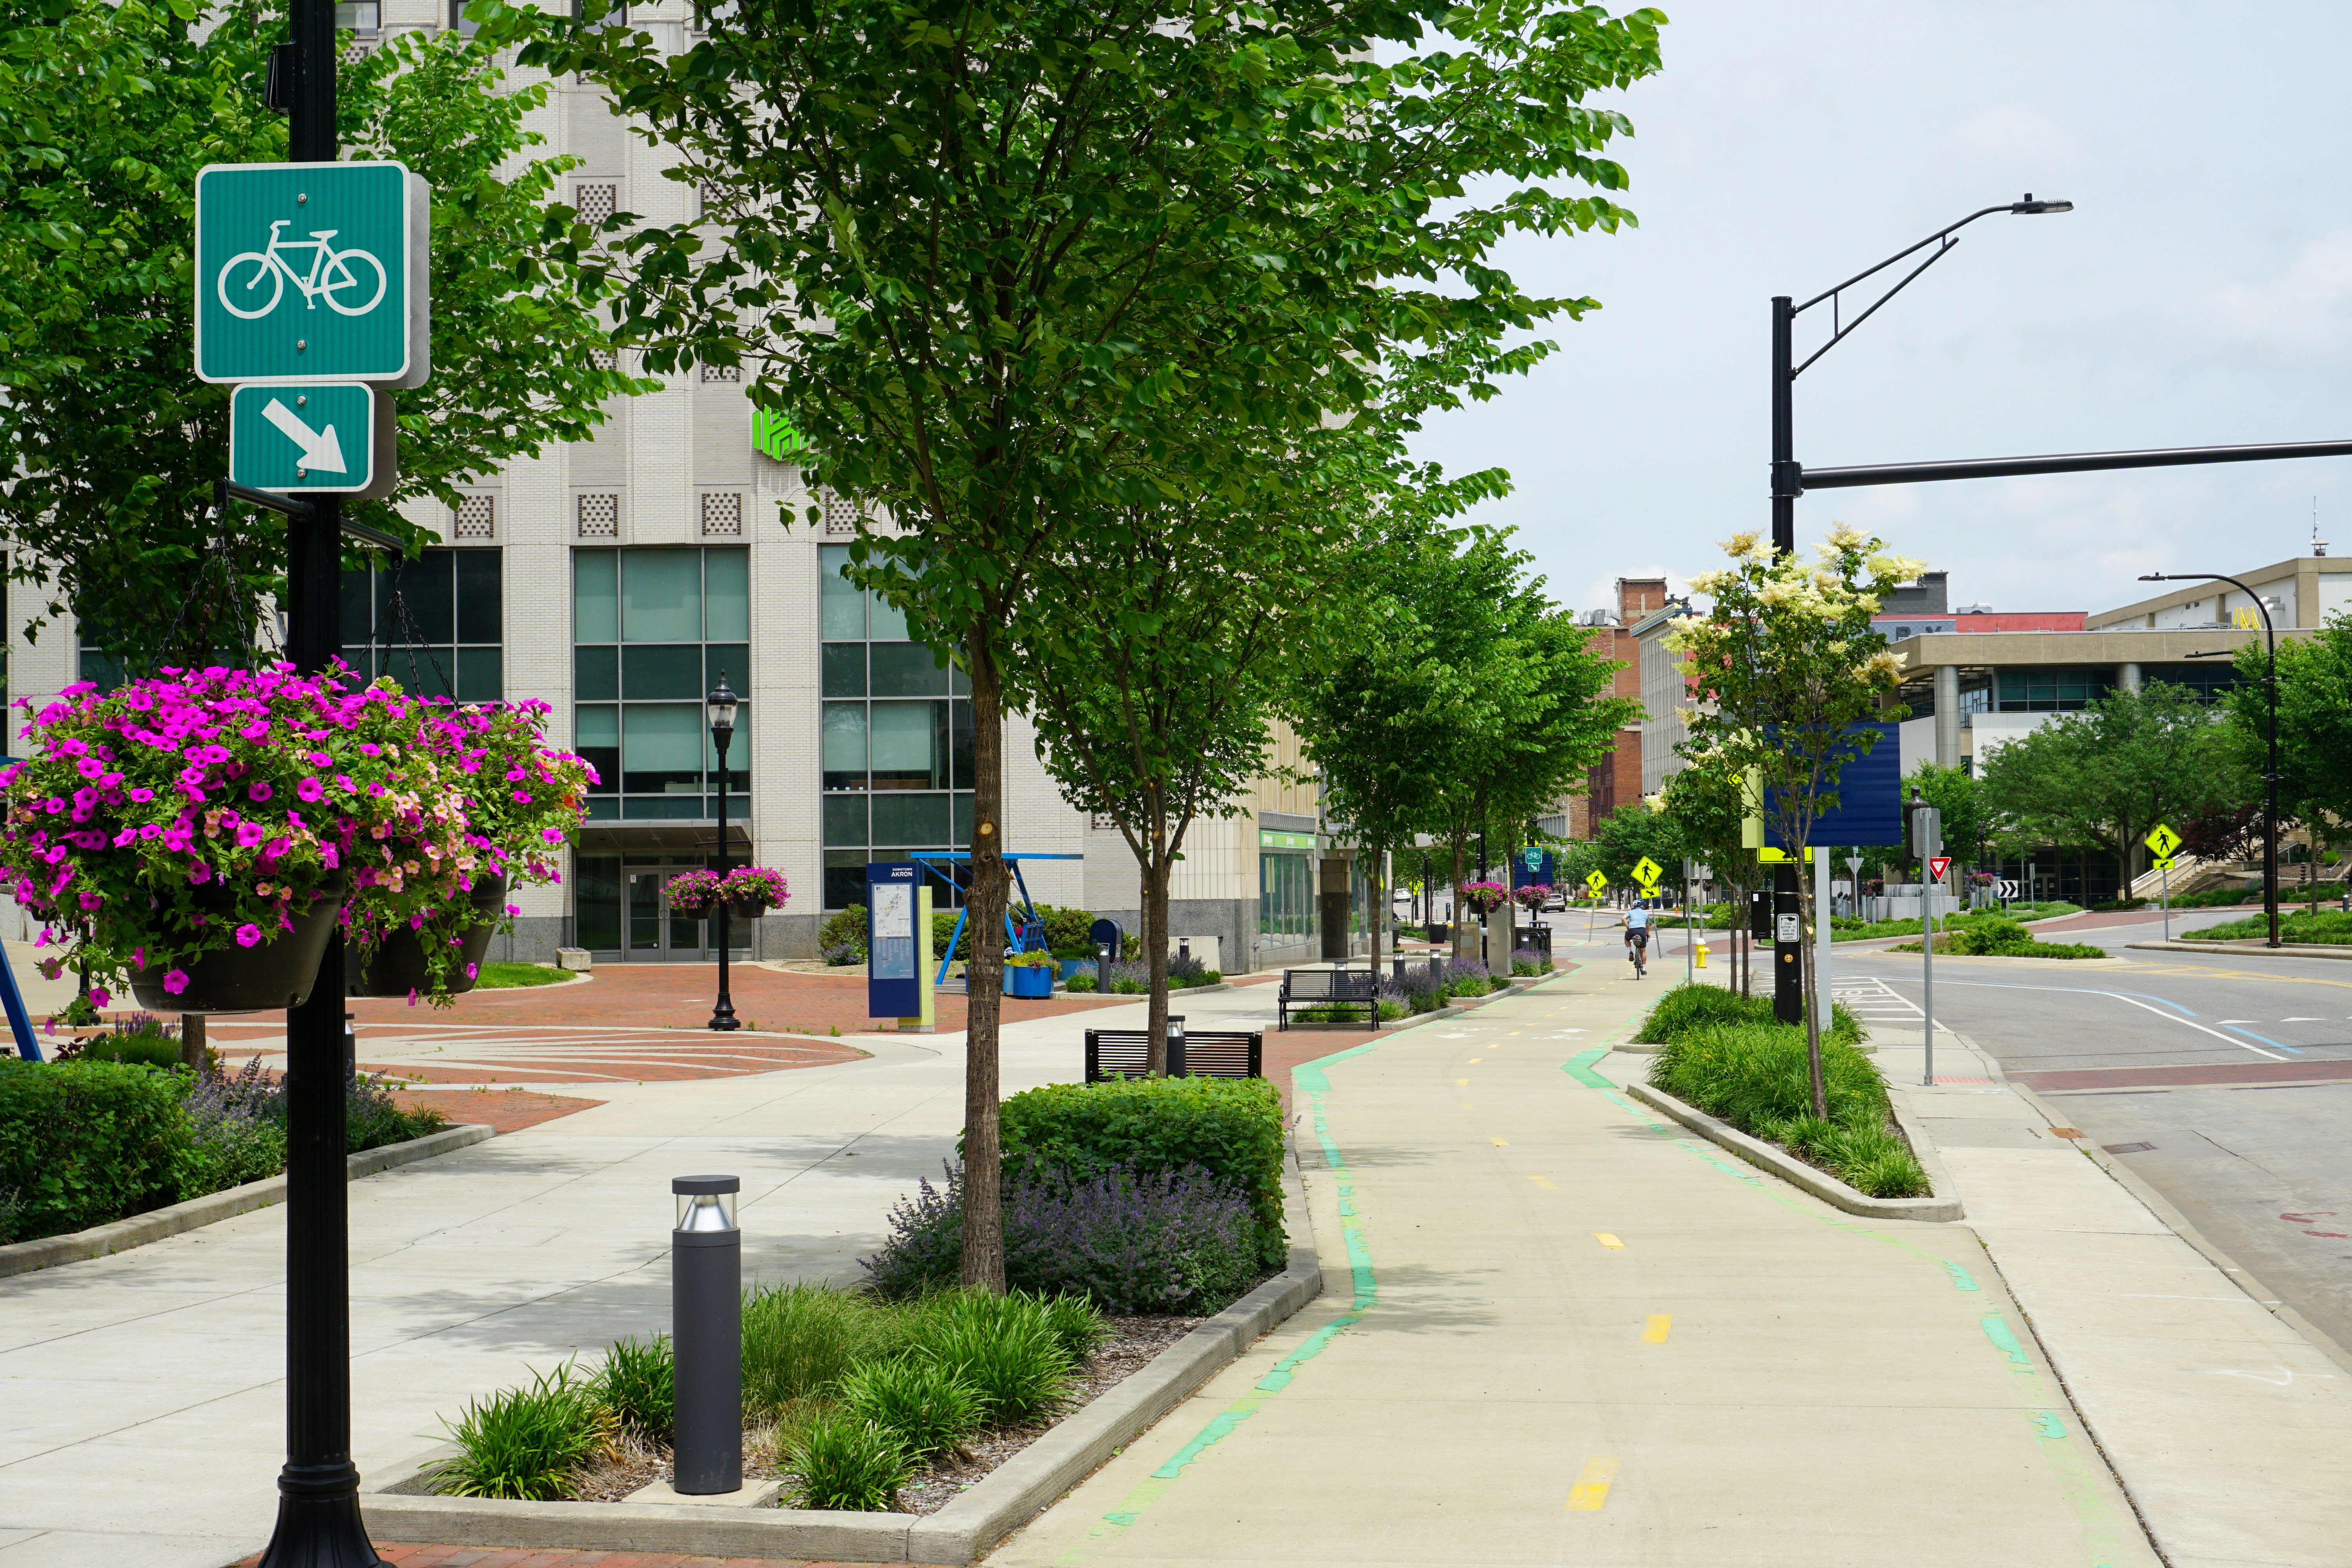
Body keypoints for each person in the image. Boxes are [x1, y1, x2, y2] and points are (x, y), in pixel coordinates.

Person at [1622, 899, 1651, 978]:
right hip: (1642, 931)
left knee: (1627, 938)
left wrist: (1628, 927)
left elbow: (1623, 919)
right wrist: (1647, 933)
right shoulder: (1646, 914)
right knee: (1643, 951)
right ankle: (1644, 968)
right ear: (1642, 906)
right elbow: (1648, 927)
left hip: (1632, 930)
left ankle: (1631, 951)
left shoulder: (1630, 912)